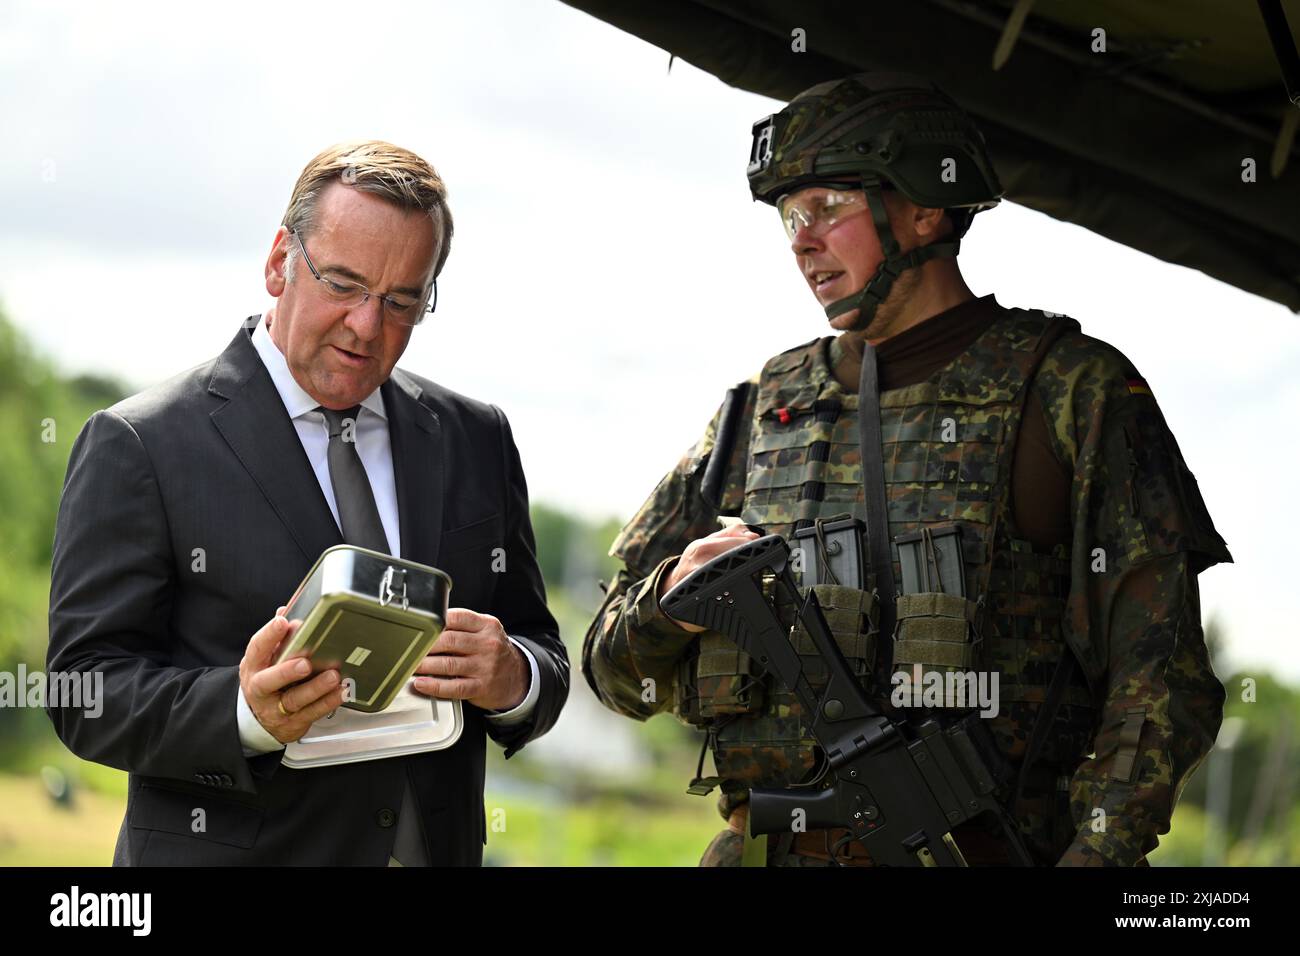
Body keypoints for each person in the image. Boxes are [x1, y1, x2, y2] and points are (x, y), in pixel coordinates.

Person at [583, 74, 1230, 867]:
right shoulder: (760, 409)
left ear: (924, 208)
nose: (800, 240)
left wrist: (1095, 858)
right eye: (790, 216)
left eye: (827, 208)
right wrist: (671, 606)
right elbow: (614, 674)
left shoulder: (1071, 391)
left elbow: (1163, 684)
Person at [47, 140, 569, 866]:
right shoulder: (140, 443)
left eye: (401, 301)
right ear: (278, 263)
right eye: (344, 284)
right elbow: (83, 691)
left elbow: (541, 650)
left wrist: (514, 677)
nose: (367, 325)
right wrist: (243, 712)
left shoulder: (476, 438)